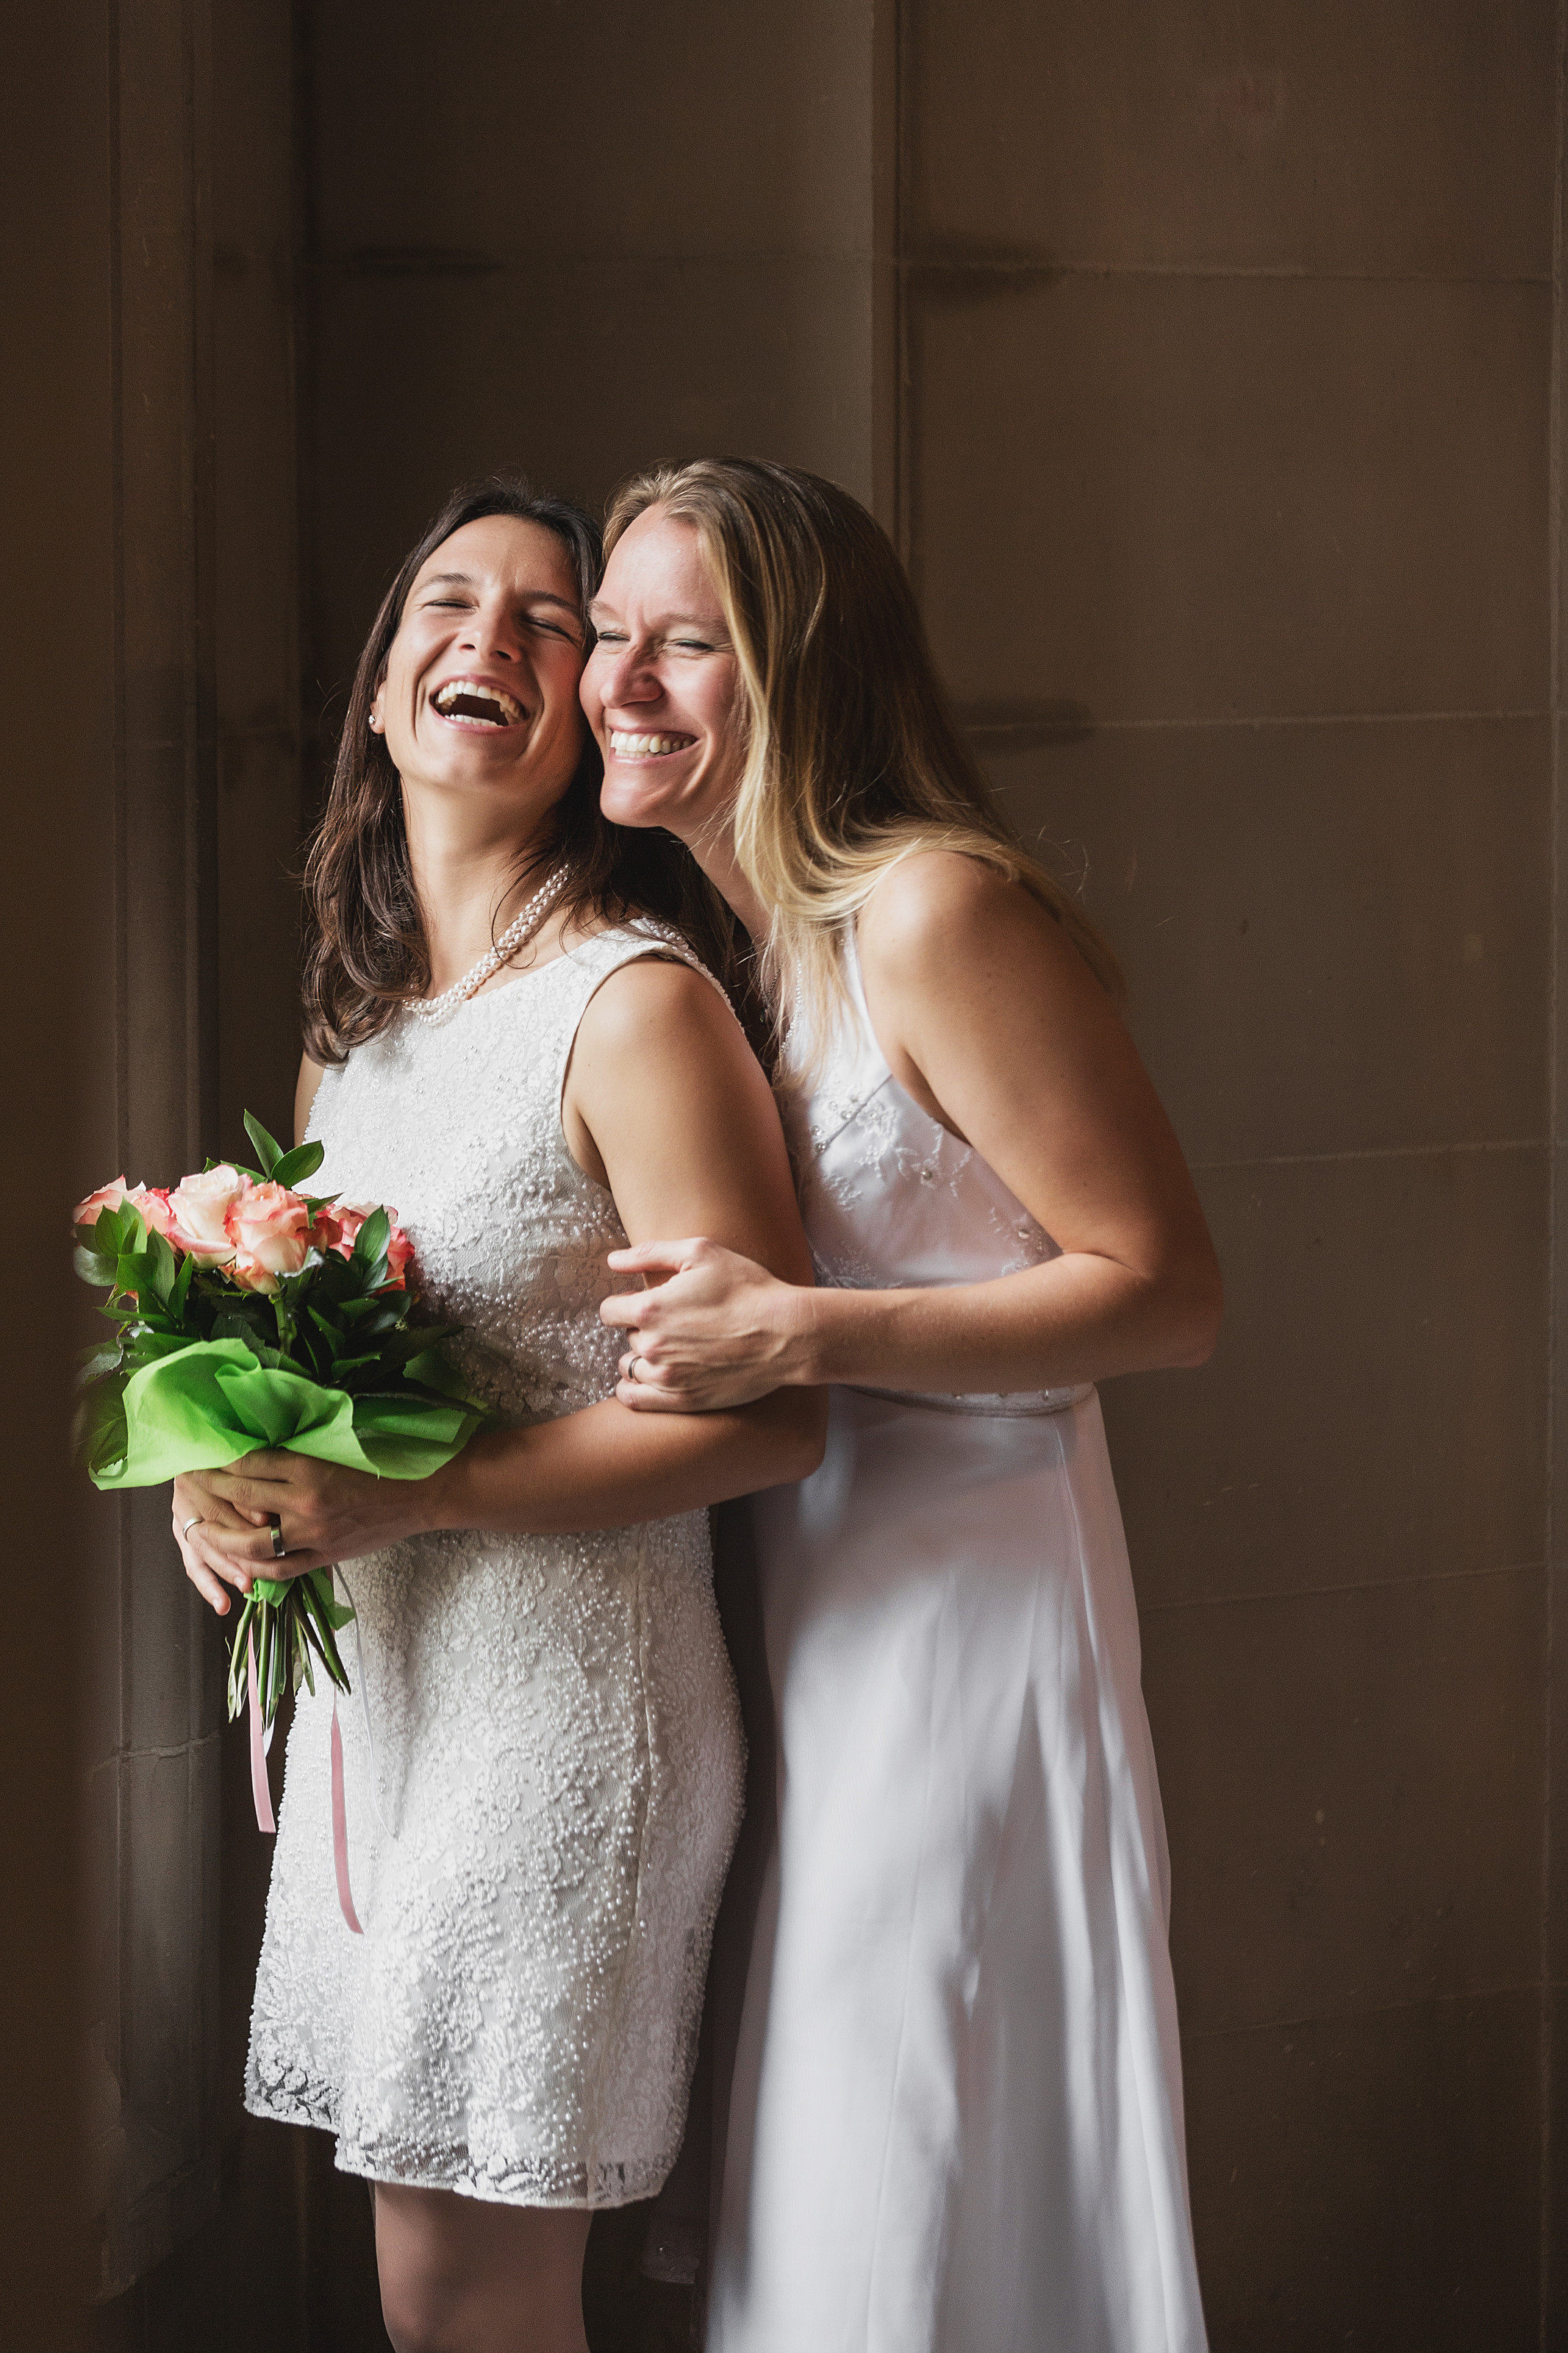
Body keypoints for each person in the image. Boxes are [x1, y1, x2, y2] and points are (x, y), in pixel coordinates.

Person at [171, 474, 823, 2353]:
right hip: (397, 1707)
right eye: (449, 605)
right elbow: (286, 1367)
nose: (499, 640)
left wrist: (408, 1499)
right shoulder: (354, 1029)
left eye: (552, 623)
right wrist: (215, 1479)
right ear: (382, 693)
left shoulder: (633, 1010)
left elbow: (775, 1423)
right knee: (427, 2295)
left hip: (563, 1709)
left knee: (474, 2303)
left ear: (581, 721)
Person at [581, 457, 1222, 2353]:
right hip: (810, 1623)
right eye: (610, 631)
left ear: (805, 677)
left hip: (971, 1628)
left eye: (684, 644)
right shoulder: (720, 956)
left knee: (910, 2156)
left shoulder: (930, 914)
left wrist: (801, 1334)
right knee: (834, 2168)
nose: (621, 679)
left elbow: (1165, 1291)